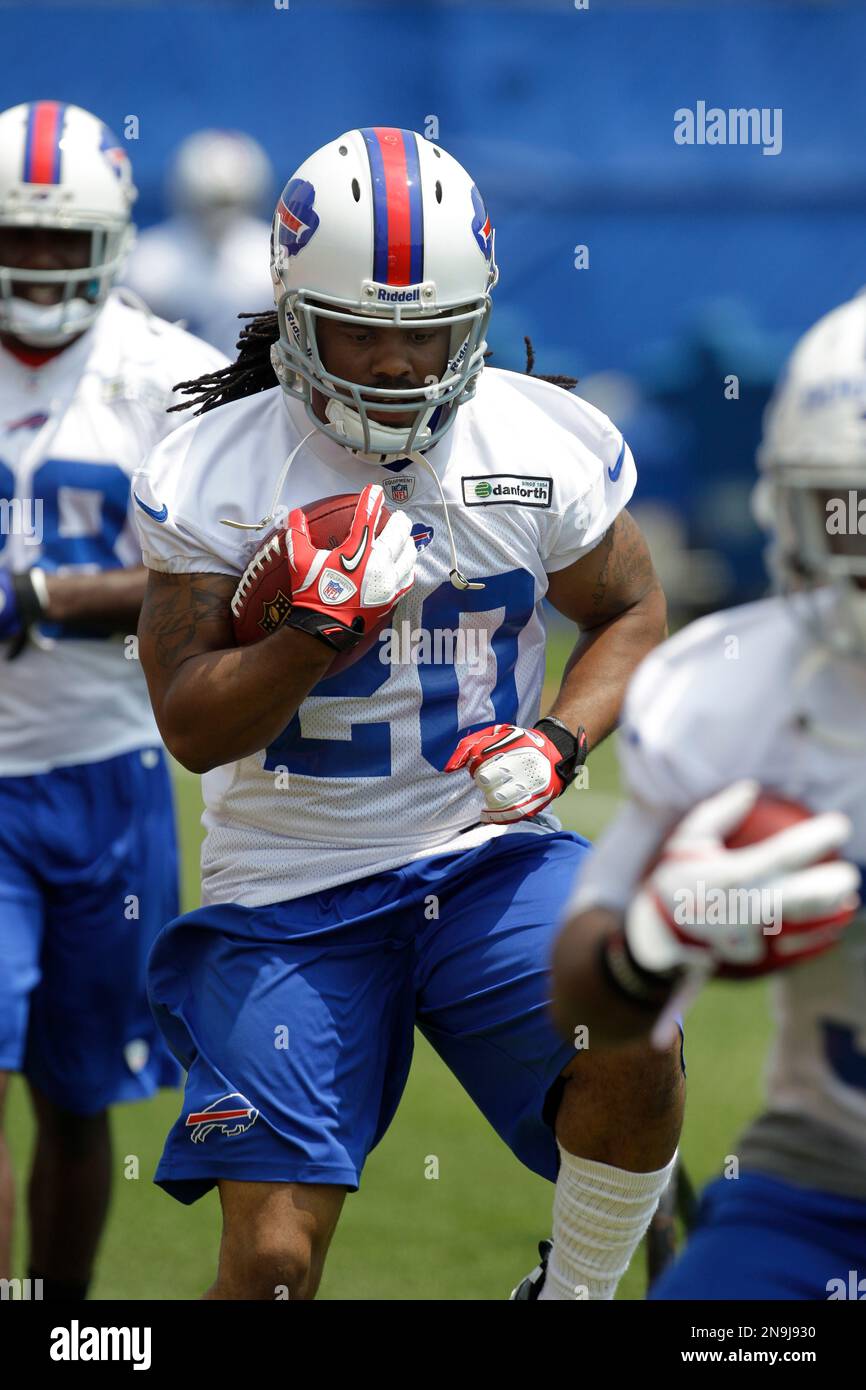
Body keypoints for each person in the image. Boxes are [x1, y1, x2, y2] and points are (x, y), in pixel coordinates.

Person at [133, 126, 679, 1302]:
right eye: (360, 330)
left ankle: (575, 1293)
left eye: (422, 331)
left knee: (636, 1016)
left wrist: (556, 739)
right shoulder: (215, 471)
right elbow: (188, 724)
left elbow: (632, 612)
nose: (391, 363)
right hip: (286, 890)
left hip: (479, 856)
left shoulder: (537, 446)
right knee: (272, 1267)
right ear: (289, 317)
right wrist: (305, 639)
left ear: (475, 318)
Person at [553, 291, 866, 1300]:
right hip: (831, 1173)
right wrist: (644, 947)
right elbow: (582, 999)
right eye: (844, 511)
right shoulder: (740, 689)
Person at [0, 99, 226, 1299]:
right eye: (15, 236)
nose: (37, 262)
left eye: (57, 238)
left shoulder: (171, 377)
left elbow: (232, 567)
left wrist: (49, 590)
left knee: (78, 1093)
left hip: (107, 772)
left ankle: (60, 1317)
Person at [123, 129, 274, 356]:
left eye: (228, 204)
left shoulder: (275, 259)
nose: (218, 218)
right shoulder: (148, 264)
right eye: (209, 204)